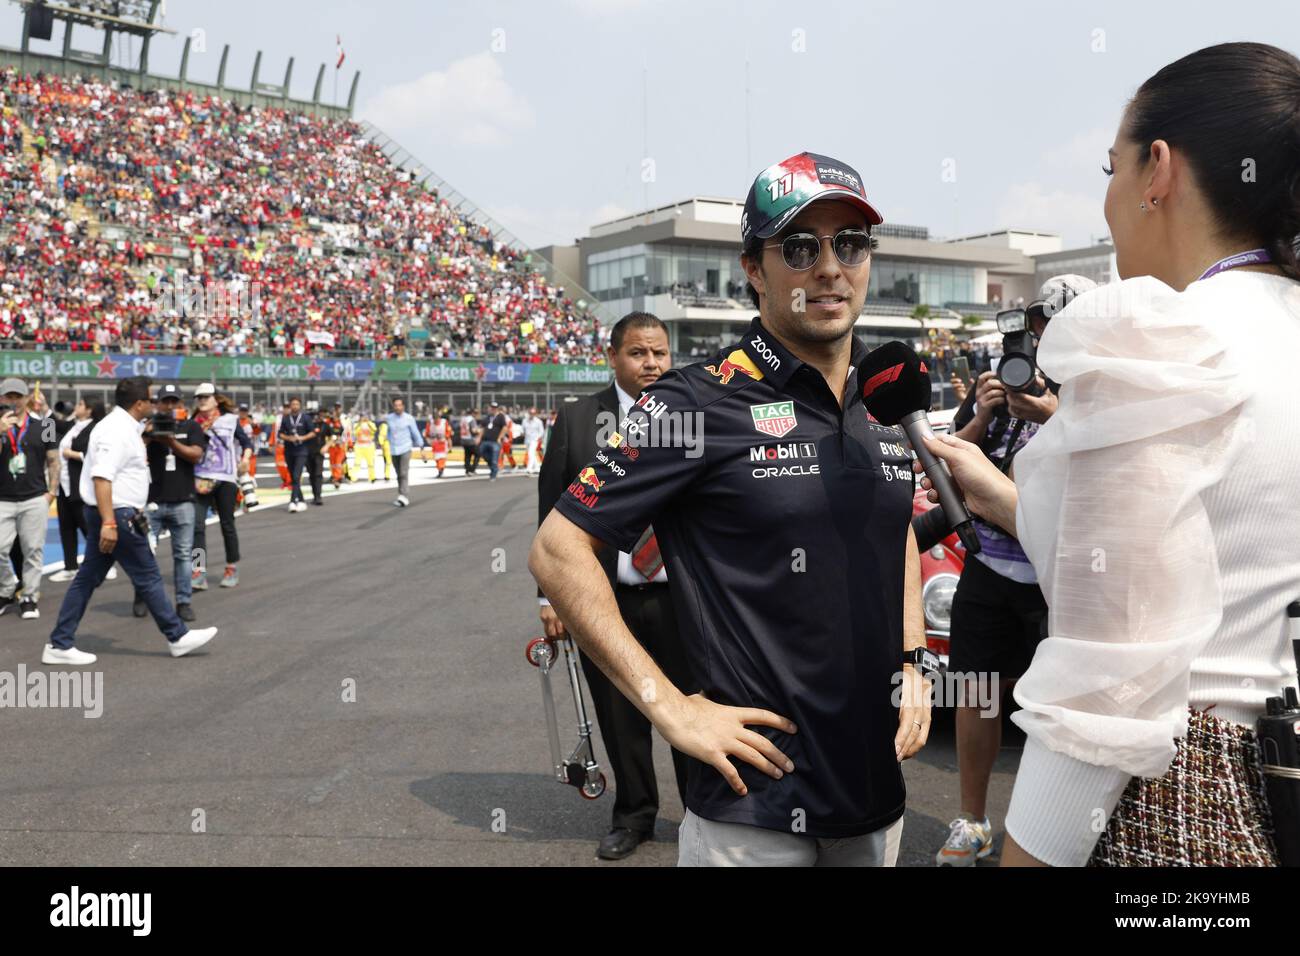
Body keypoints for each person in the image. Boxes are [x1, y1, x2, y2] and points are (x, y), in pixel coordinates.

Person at [915, 41, 1300, 868]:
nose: (1109, 195)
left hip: (1183, 802)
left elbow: (1109, 679)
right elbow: (1201, 551)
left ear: (1157, 170)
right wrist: (1005, 498)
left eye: (1110, 166)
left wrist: (1030, 853)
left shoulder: (1159, 344)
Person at [531, 152, 931, 866]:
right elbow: (558, 549)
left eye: (850, 243)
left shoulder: (885, 397)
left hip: (875, 794)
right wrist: (668, 704)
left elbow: (892, 527)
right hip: (753, 809)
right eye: (802, 248)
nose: (830, 269)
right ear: (755, 269)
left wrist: (914, 659)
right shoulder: (695, 400)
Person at [933, 275, 1094, 867]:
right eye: (1042, 322)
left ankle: (1055, 828)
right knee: (975, 695)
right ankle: (973, 819)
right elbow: (951, 458)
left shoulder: (1098, 386)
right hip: (989, 564)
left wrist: (1054, 412)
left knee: (1061, 708)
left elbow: (1106, 465)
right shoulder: (1005, 374)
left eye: (1061, 321)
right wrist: (981, 411)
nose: (1048, 332)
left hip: (1061, 572)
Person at [537, 312, 694, 860]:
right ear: (612, 357)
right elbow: (550, 509)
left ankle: (704, 815)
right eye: (638, 353)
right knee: (622, 713)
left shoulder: (695, 414)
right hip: (604, 598)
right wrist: (550, 596)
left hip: (685, 600)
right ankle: (634, 816)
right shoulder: (580, 420)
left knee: (692, 704)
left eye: (660, 353)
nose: (651, 363)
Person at [41, 376, 218, 665]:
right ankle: (177, 636)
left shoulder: (124, 427)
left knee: (87, 579)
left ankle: (60, 642)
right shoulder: (116, 430)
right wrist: (110, 522)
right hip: (118, 514)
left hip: (116, 512)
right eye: (150, 399)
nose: (154, 404)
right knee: (147, 575)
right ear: (139, 404)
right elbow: (102, 476)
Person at [134, 383, 207, 622]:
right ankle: (142, 595)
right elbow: (132, 453)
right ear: (157, 404)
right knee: (145, 553)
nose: (169, 406)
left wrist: (171, 443)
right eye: (165, 401)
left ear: (181, 403)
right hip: (153, 500)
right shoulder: (148, 427)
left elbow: (197, 455)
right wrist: (147, 434)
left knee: (186, 552)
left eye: (174, 401)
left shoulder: (191, 426)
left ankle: (185, 599)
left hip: (186, 499)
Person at [0, 377, 59, 620]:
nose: (14, 401)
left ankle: (29, 596)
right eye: (9, 396)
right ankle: (6, 589)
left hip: (35, 496)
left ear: (27, 398)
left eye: (18, 396)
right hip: (2, 498)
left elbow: (54, 460)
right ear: (2, 398)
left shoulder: (46, 425)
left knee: (33, 549)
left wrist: (52, 492)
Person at [191, 386, 251, 589]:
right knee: (197, 526)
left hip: (226, 478)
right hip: (200, 478)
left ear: (216, 399)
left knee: (227, 524)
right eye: (198, 397)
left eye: (206, 397)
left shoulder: (230, 420)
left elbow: (246, 442)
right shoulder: (192, 422)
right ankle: (198, 570)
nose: (201, 400)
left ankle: (232, 566)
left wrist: (245, 459)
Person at [50, 398, 99, 583]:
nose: (75, 407)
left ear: (89, 409)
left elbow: (96, 454)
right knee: (66, 527)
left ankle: (105, 563)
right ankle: (70, 566)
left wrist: (74, 454)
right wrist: (44, 408)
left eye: (79, 404)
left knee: (88, 527)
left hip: (81, 486)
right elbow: (51, 425)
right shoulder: (72, 425)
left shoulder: (96, 427)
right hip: (64, 485)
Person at [279, 396, 317, 512]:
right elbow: (280, 434)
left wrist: (302, 437)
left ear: (300, 406)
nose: (294, 406)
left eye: (297, 404)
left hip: (302, 450)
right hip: (289, 450)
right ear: (290, 406)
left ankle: (293, 501)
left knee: (296, 476)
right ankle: (301, 500)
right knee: (293, 477)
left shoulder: (305, 418)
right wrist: (288, 438)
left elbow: (313, 433)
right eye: (293, 404)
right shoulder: (286, 418)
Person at [384, 397, 423, 507]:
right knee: (398, 474)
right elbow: (387, 432)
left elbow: (415, 432)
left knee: (403, 472)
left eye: (399, 405)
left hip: (405, 448)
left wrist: (421, 447)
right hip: (393, 449)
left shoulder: (409, 418)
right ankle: (401, 494)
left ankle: (404, 495)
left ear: (403, 406)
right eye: (395, 405)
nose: (397, 407)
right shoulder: (389, 418)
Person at [478, 402, 508, 482]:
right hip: (485, 440)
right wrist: (479, 438)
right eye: (491, 408)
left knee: (494, 459)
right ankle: (494, 468)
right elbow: (482, 428)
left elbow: (505, 428)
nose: (493, 409)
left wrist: (499, 438)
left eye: (494, 408)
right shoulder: (487, 417)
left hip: (495, 441)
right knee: (481, 453)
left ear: (497, 409)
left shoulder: (501, 417)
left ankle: (493, 474)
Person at [349, 411, 379, 483]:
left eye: (365, 416)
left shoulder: (371, 424)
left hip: (369, 446)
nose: (364, 418)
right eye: (362, 416)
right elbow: (354, 433)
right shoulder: (357, 424)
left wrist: (368, 422)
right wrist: (360, 423)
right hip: (359, 446)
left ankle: (372, 478)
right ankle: (353, 478)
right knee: (357, 463)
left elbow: (374, 430)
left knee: (371, 463)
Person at [424, 408, 452, 478]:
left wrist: (449, 443)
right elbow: (427, 433)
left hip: (443, 443)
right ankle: (439, 468)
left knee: (442, 457)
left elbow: (448, 433)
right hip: (435, 444)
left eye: (438, 418)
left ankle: (441, 469)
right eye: (435, 419)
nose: (436, 420)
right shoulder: (430, 423)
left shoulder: (444, 422)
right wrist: (429, 440)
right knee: (437, 458)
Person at [522, 407, 545, 476]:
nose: (531, 414)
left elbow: (541, 431)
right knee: (532, 453)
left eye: (533, 413)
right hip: (527, 439)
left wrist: (538, 438)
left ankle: (529, 468)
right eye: (530, 413)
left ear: (535, 414)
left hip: (534, 439)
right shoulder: (525, 420)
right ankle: (537, 467)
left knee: (530, 453)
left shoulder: (538, 421)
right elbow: (523, 429)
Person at [459, 409, 479, 475]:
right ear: (472, 413)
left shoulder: (463, 419)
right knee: (477, 454)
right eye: (476, 413)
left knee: (467, 455)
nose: (477, 415)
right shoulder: (472, 420)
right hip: (470, 439)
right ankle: (472, 469)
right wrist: (479, 431)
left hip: (463, 439)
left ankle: (467, 469)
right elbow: (473, 430)